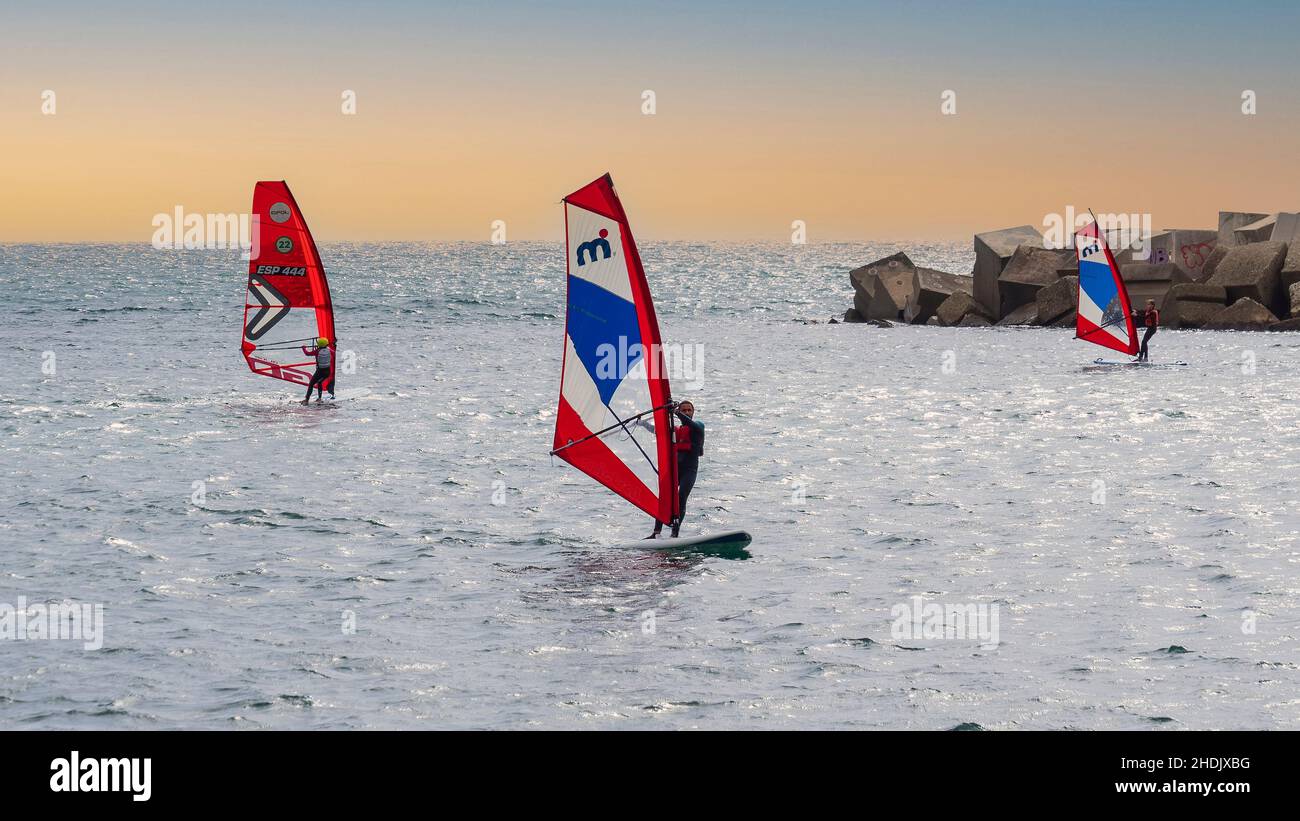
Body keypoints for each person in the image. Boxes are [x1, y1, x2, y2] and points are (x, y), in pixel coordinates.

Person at [648, 400, 705, 539]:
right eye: (683, 410)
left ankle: (675, 533)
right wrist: (642, 423)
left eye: (689, 410)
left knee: (681, 498)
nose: (687, 412)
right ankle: (656, 532)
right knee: (664, 499)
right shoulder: (675, 430)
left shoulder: (698, 426)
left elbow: (690, 423)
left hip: (689, 470)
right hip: (675, 470)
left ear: (693, 412)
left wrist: (677, 412)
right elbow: (657, 430)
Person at [301, 337, 333, 404]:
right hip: (327, 371)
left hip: (320, 372)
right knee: (319, 382)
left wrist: (303, 348)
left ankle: (306, 400)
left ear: (319, 345)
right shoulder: (330, 350)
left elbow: (307, 353)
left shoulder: (317, 351)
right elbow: (331, 352)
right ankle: (319, 398)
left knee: (311, 384)